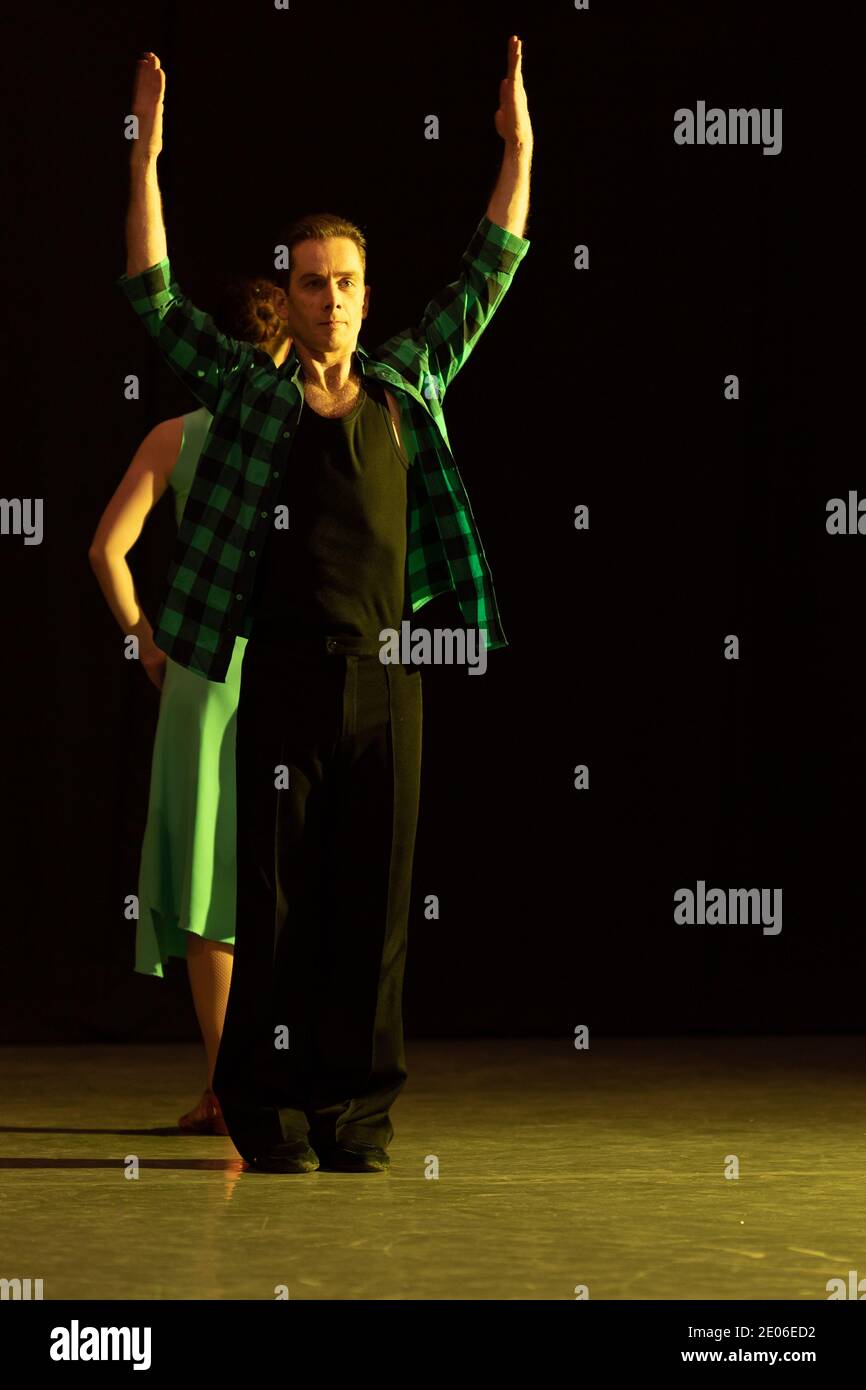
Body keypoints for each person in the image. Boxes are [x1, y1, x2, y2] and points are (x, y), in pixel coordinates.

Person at [118, 36, 533, 1173]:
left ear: (365, 292)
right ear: (289, 295)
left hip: (387, 676)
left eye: (346, 281)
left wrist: (517, 144)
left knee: (375, 911)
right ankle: (263, 1110)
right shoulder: (251, 400)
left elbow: (491, 264)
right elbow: (152, 298)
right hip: (285, 679)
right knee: (277, 906)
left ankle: (356, 1117)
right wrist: (146, 151)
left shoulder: (406, 386)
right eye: (311, 281)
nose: (332, 298)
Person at [89, 278, 292, 1134]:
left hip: (197, 677)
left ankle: (223, 1083)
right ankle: (278, 1077)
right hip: (281, 668)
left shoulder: (175, 435)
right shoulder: (294, 433)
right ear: (282, 351)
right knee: (271, 873)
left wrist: (144, 639)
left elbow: (106, 547)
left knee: (208, 879)